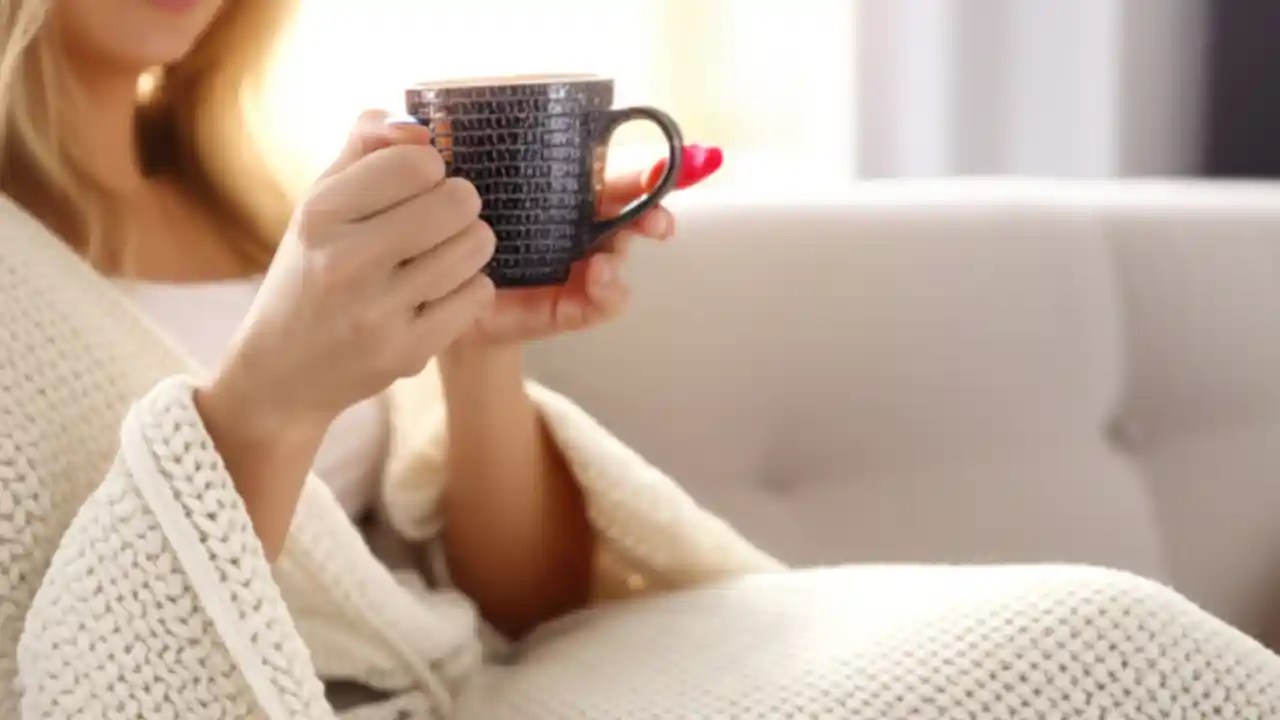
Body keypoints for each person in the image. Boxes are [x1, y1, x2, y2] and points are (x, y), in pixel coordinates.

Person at [3, 1, 1279, 718]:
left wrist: (479, 359)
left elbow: (520, 608)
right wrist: (265, 403)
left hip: (494, 687)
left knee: (1105, 640)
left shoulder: (254, 207)